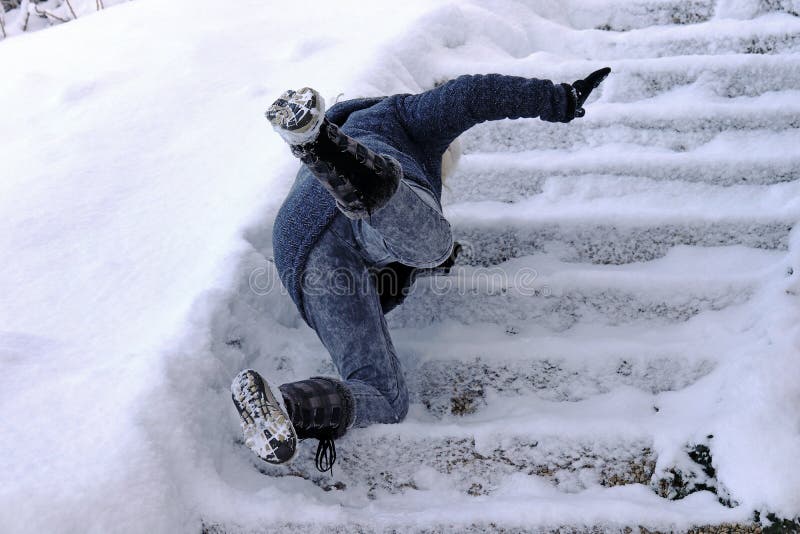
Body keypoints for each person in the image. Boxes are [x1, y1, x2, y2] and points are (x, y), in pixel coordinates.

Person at [231, 69, 612, 473]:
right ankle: (363, 175)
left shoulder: (331, 164)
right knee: (433, 244)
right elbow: (471, 95)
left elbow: (385, 276)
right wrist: (560, 99)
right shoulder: (399, 115)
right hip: (353, 214)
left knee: (386, 397)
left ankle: (288, 408)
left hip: (298, 247)